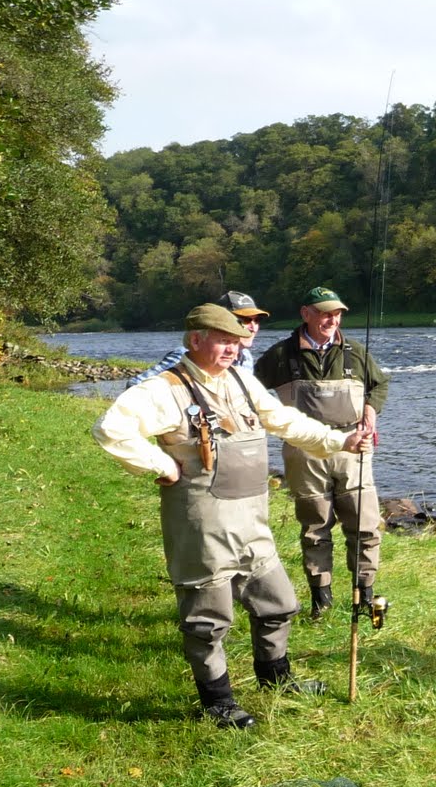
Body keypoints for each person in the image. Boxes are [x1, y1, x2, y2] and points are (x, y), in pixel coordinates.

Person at [93, 304, 373, 728]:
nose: (232, 347)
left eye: (236, 340)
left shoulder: (242, 379)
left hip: (251, 522)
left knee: (278, 604)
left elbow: (285, 421)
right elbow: (110, 429)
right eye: (222, 339)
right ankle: (217, 702)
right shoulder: (163, 389)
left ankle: (275, 679)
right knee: (208, 621)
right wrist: (162, 465)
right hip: (203, 523)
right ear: (195, 340)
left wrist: (340, 441)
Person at [253, 286, 389, 620]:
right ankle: (321, 598)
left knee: (366, 525)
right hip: (304, 451)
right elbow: (250, 390)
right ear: (306, 314)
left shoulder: (355, 352)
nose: (333, 319)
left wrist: (369, 417)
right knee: (315, 526)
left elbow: (379, 385)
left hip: (354, 447)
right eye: (326, 313)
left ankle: (364, 593)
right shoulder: (281, 355)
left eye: (337, 313)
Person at [126, 290, 270, 386]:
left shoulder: (246, 356)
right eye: (245, 320)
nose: (253, 327)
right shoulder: (189, 354)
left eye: (256, 320)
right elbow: (136, 385)